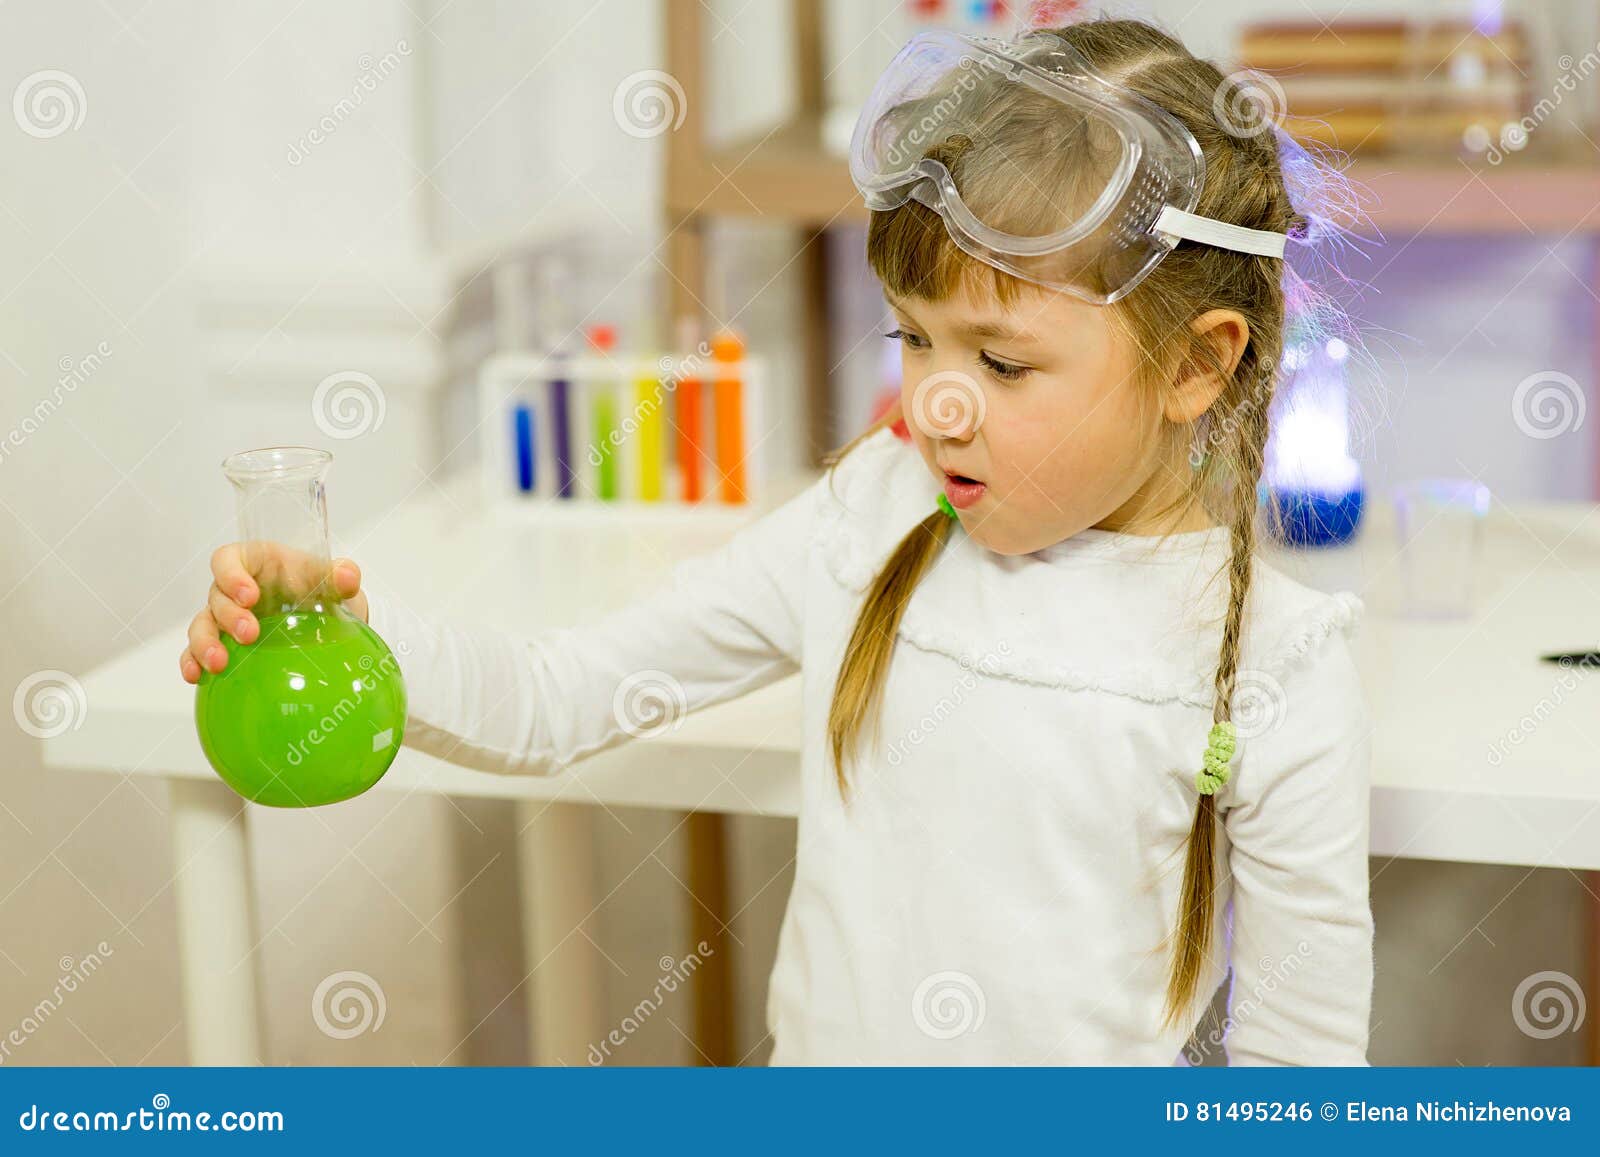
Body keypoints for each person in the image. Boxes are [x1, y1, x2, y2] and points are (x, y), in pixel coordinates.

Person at [180, 16, 1373, 1065]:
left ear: (1198, 362)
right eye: (914, 339)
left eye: (1001, 362)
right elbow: (559, 697)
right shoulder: (869, 520)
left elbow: (1299, 1073)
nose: (934, 405)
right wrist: (354, 635)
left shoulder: (1276, 658)